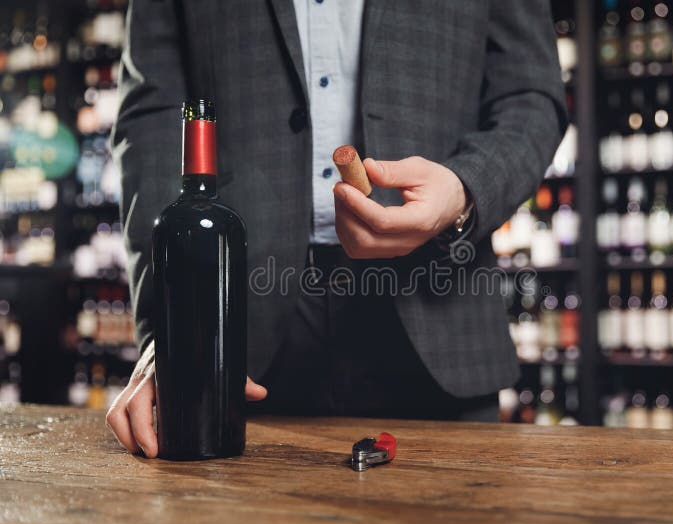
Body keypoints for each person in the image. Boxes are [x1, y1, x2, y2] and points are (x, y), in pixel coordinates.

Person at [106, 0, 566, 457]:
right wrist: (170, 332)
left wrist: (464, 187)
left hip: (439, 311)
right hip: (233, 335)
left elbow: (531, 98)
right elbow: (152, 121)